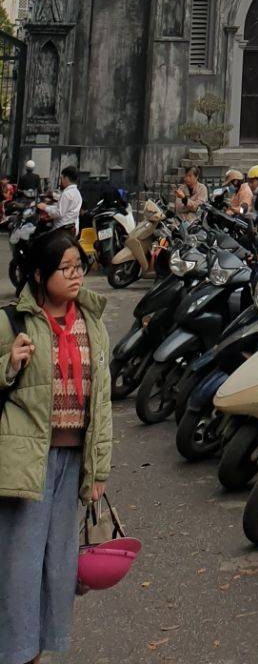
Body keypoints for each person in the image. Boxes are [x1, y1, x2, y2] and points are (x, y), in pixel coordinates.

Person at [0, 228, 113, 664]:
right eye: (64, 269)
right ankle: (15, 652)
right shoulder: (15, 321)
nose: (75, 276)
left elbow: (101, 400)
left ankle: (38, 650)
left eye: (78, 266)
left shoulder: (92, 322)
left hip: (73, 459)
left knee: (57, 565)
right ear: (41, 274)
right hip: (26, 458)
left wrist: (99, 469)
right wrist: (9, 363)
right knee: (20, 565)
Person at [47, 165, 82, 235]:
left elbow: (59, 213)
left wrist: (45, 208)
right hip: (73, 227)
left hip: (61, 229)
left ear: (66, 178)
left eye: (61, 178)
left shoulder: (66, 193)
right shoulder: (77, 193)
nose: (61, 181)